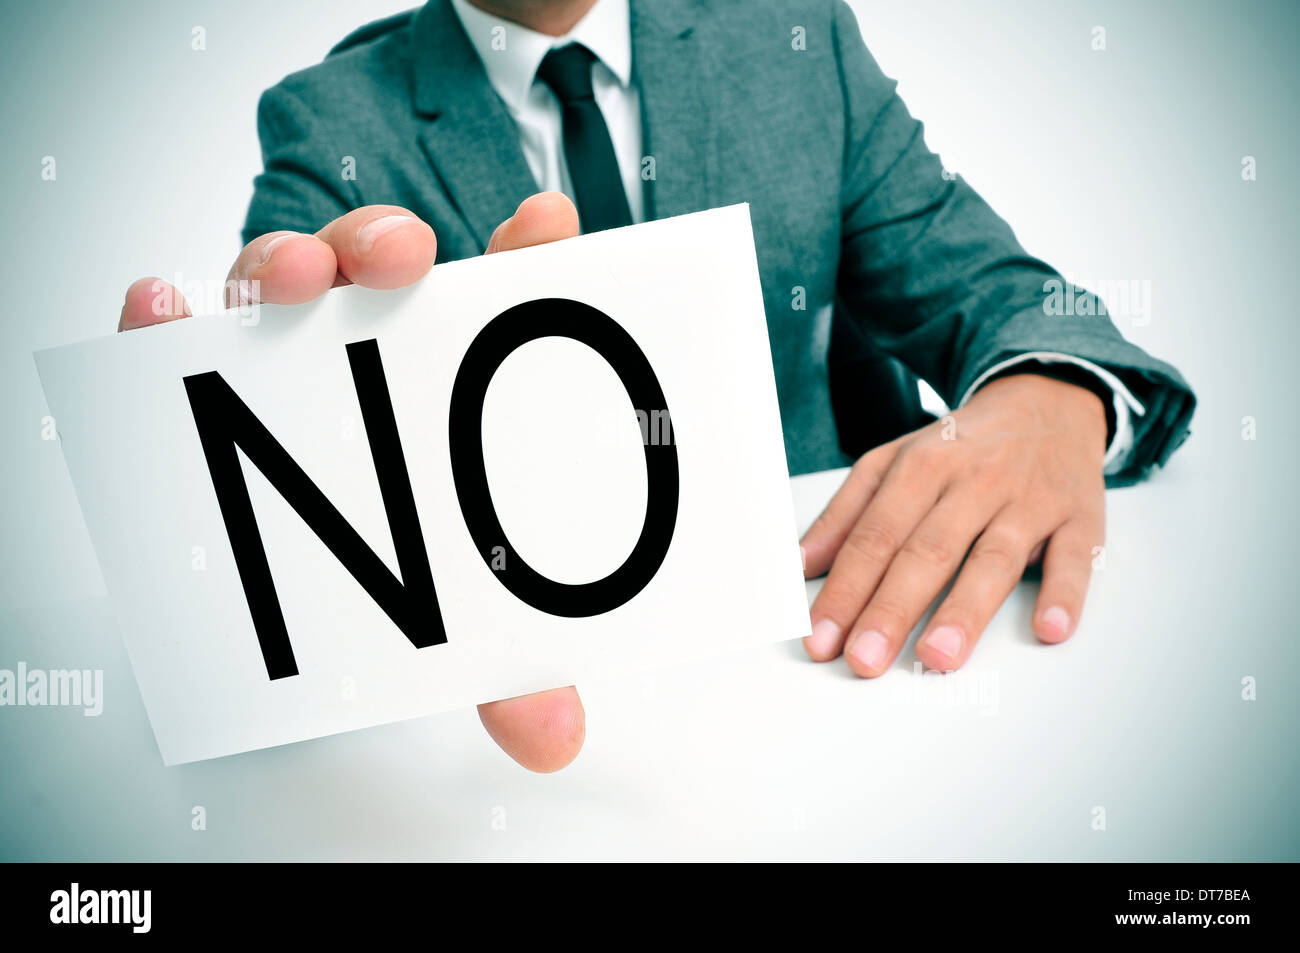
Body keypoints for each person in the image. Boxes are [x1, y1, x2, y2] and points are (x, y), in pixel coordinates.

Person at [116, 0, 1195, 772]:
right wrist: (258, 424)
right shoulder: (335, 117)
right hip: (565, 721)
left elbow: (986, 285)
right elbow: (291, 302)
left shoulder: (792, 36)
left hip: (835, 666)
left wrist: (1052, 389)